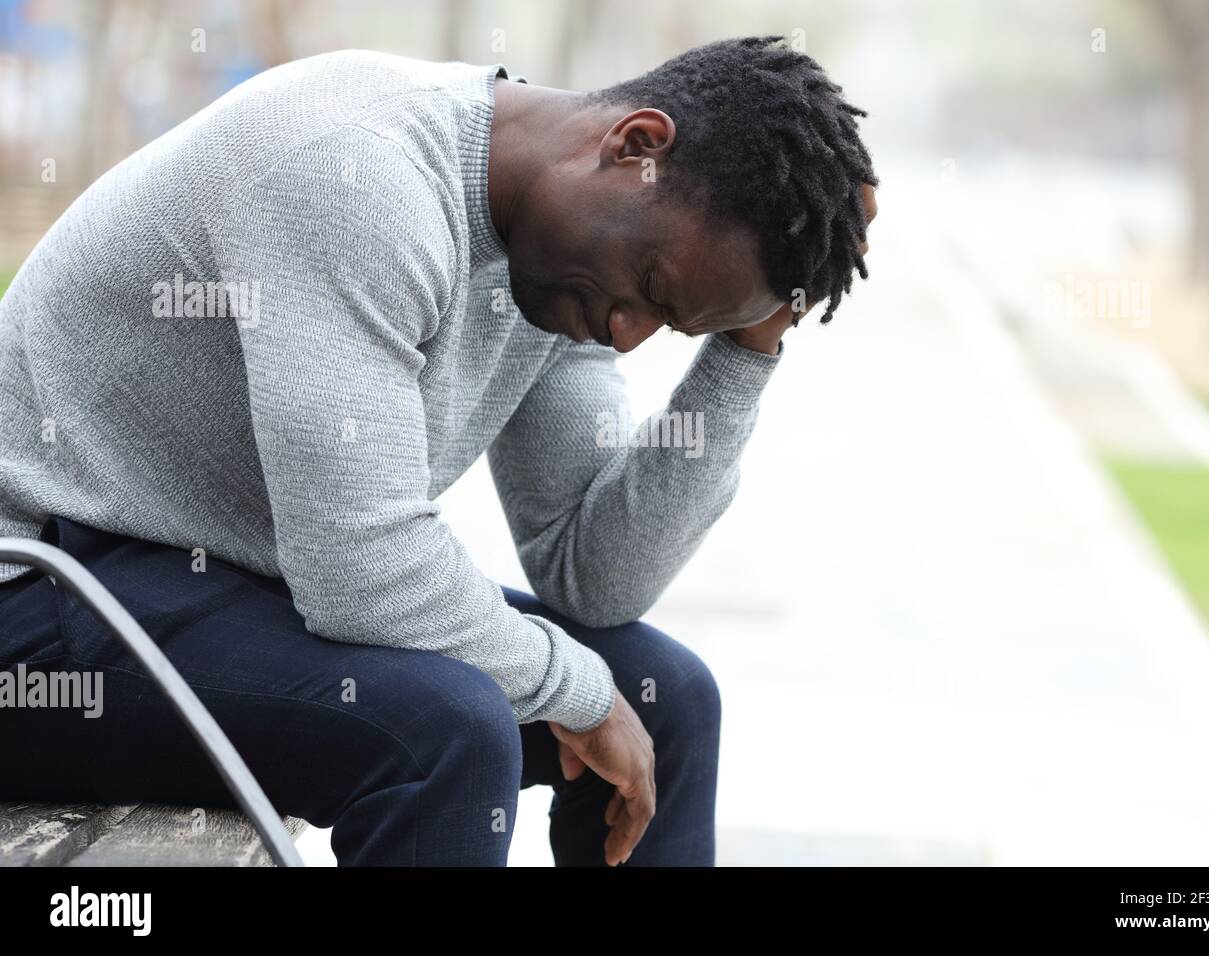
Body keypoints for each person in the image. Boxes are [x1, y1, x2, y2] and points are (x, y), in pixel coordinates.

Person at [0, 35, 877, 866]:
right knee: (444, 731)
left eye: (670, 325)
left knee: (666, 697)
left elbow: (595, 576)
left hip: (225, 586)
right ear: (633, 144)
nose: (627, 334)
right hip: (42, 593)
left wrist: (749, 346)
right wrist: (576, 691)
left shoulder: (563, 261)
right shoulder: (355, 173)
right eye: (651, 290)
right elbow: (366, 571)